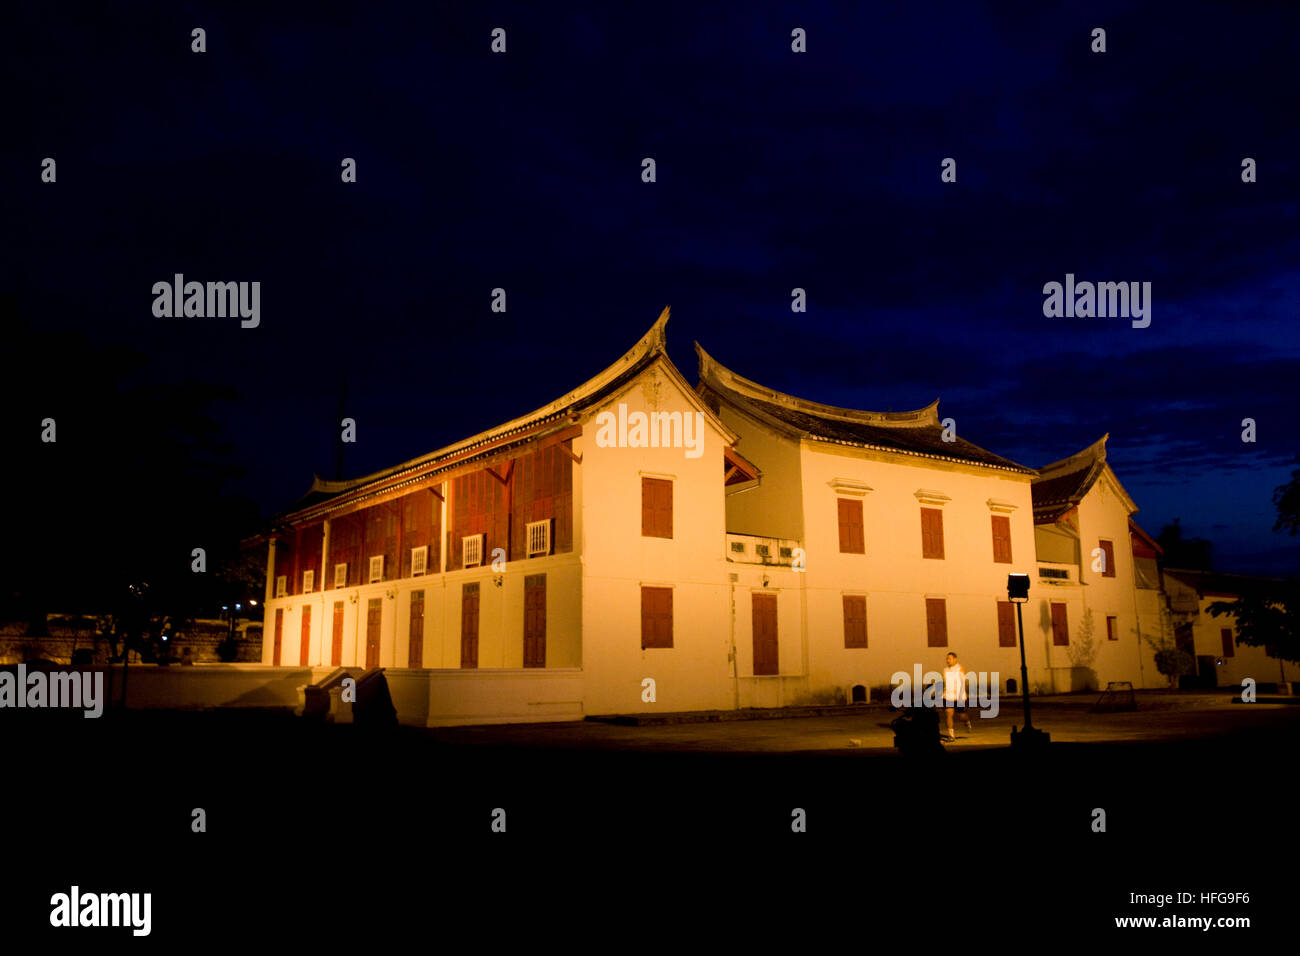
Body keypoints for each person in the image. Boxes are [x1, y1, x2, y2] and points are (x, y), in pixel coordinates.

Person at [941, 651, 973, 741]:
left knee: (962, 716)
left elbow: (963, 682)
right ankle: (951, 735)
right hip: (948, 696)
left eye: (949, 658)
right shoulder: (945, 670)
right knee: (949, 714)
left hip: (959, 697)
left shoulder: (960, 669)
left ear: (955, 659)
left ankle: (966, 721)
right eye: (947, 659)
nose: (948, 660)